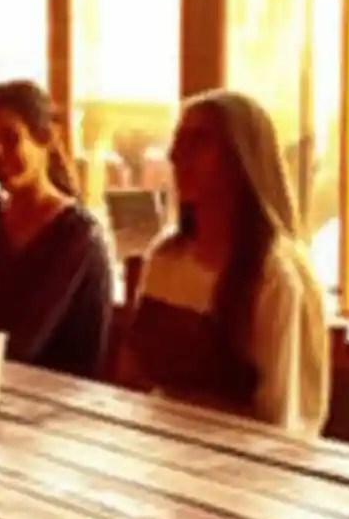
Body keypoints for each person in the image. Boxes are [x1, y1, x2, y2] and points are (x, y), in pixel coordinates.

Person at [119, 89, 330, 438]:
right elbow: (132, 375)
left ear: (242, 161)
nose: (176, 155)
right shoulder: (166, 257)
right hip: (157, 454)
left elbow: (282, 425)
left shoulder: (274, 277)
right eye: (177, 139)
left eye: (199, 141)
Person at [0, 80, 114, 376]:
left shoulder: (78, 233)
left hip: (58, 404)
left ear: (46, 140)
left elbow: (27, 342)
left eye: (11, 139)